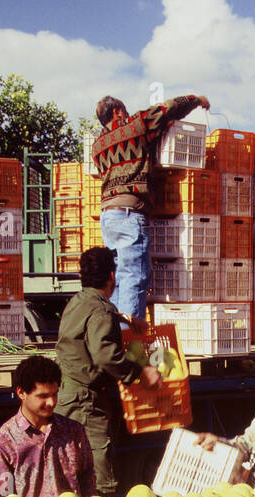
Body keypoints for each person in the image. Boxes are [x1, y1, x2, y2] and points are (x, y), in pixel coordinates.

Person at [91, 90, 211, 326]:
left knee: (115, 279)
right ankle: (130, 342)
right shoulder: (134, 126)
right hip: (129, 212)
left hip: (108, 215)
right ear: (117, 112)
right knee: (135, 277)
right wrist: (196, 100)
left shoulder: (98, 145)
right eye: (123, 110)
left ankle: (114, 334)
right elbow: (166, 109)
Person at [54, 246, 162, 497]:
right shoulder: (101, 310)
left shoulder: (79, 301)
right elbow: (105, 356)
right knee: (98, 477)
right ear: (112, 277)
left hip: (69, 394)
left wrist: (123, 317)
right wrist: (140, 372)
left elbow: (92, 321)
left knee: (67, 467)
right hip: (87, 402)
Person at [0, 355, 96, 497]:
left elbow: (88, 482)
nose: (51, 402)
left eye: (54, 395)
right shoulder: (2, 445)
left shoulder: (74, 432)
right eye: (43, 396)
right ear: (21, 393)